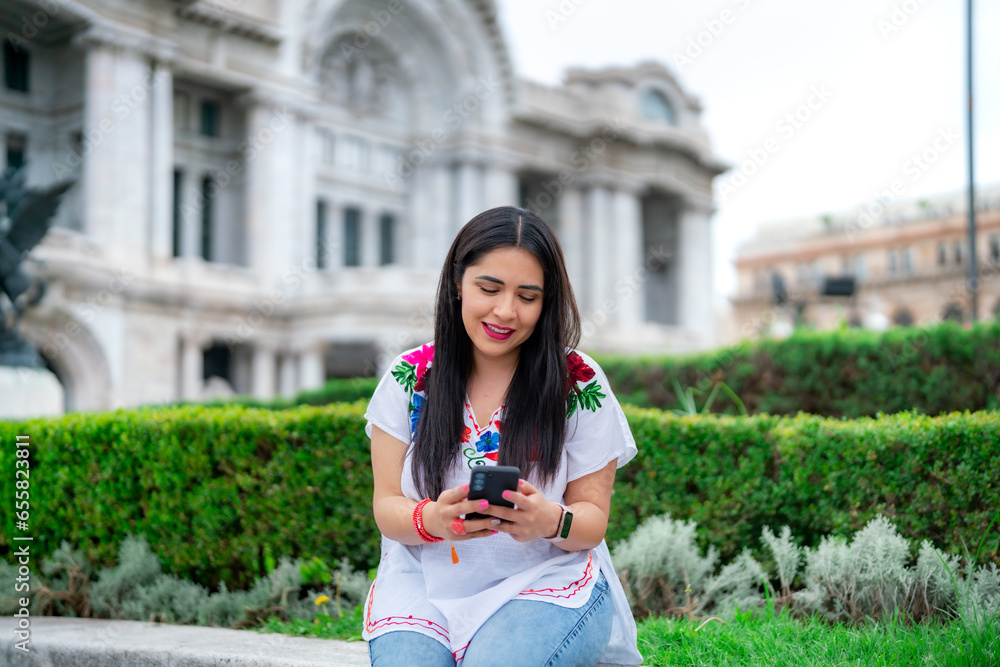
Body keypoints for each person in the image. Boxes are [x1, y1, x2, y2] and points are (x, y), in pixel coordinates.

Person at [363, 206, 642, 666]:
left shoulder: (579, 382)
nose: (505, 311)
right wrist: (433, 519)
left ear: (546, 302)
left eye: (527, 296)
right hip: (421, 590)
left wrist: (548, 521)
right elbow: (387, 506)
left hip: (548, 586)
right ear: (458, 283)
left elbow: (592, 520)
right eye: (488, 288)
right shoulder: (409, 377)